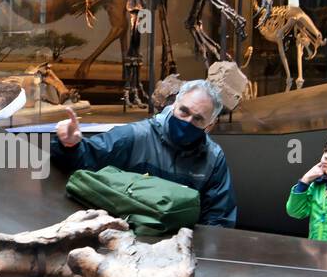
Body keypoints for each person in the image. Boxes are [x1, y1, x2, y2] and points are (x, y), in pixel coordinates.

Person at [50, 78, 237, 228]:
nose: (187, 121)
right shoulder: (136, 136)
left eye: (197, 118)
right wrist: (70, 145)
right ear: (174, 106)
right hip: (129, 239)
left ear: (209, 125)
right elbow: (87, 158)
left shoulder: (213, 158)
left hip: (181, 248)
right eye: (184, 111)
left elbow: (218, 218)